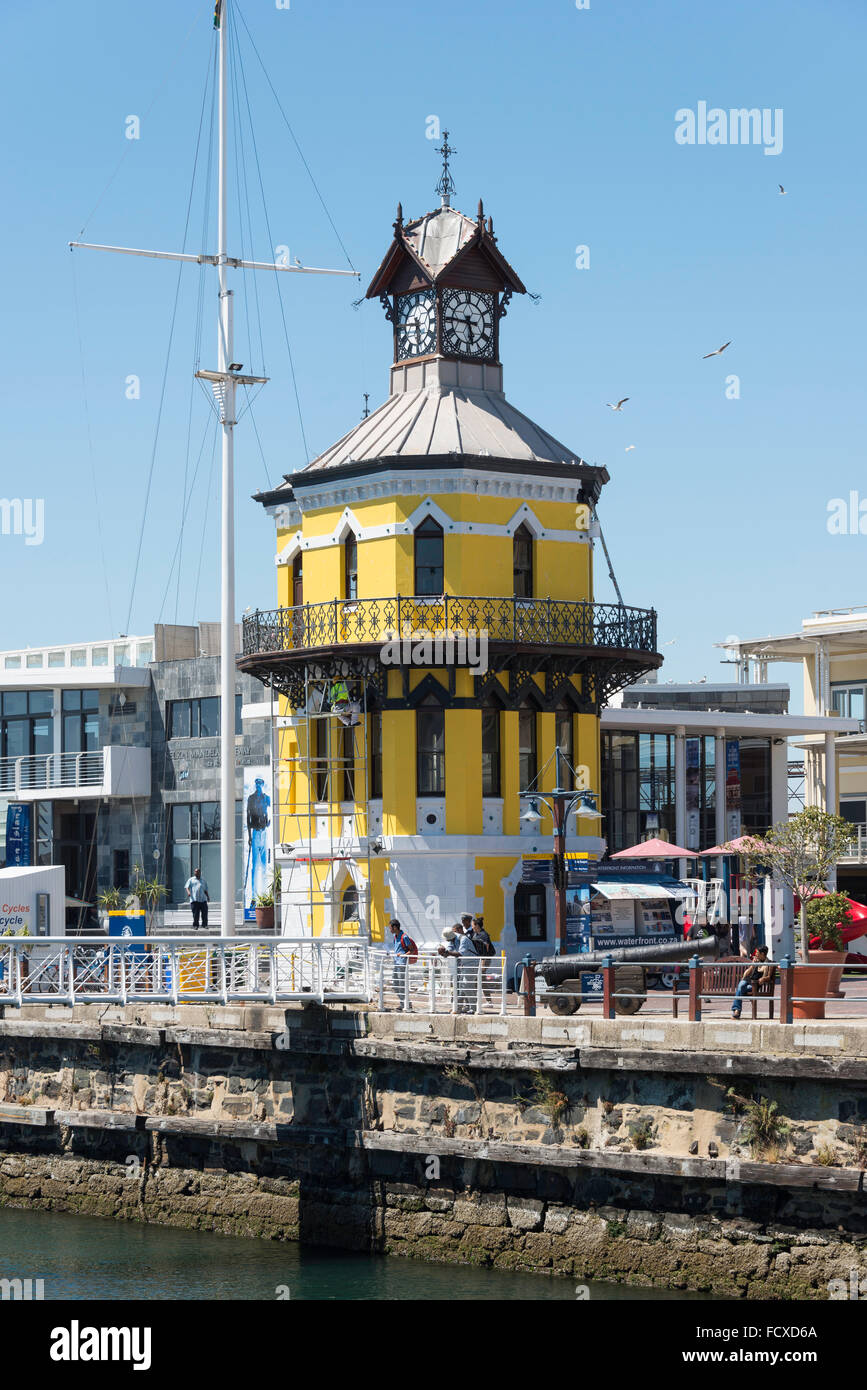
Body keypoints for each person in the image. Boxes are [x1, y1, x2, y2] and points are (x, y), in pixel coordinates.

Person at [731, 945, 775, 1019]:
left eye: (757, 953)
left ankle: (737, 1011)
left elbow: (769, 977)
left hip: (754, 985)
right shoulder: (755, 961)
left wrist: (763, 979)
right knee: (741, 985)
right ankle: (737, 1010)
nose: (755, 954)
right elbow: (746, 975)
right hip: (747, 981)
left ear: (762, 954)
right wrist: (752, 965)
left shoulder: (769, 964)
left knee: (740, 988)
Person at [388, 918, 416, 1009]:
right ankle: (405, 1002)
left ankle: (405, 1003)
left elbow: (411, 950)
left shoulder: (404, 937)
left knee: (401, 984)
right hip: (396, 963)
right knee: (395, 985)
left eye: (390, 928)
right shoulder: (395, 937)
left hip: (402, 964)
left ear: (395, 927)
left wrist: (403, 955)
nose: (390, 930)